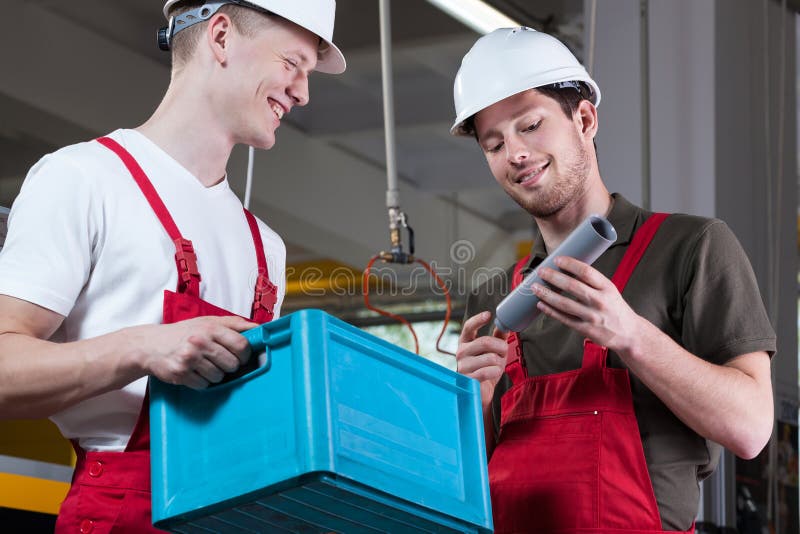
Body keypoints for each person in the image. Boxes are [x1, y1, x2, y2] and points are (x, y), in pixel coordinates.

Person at [0, 1, 345, 531]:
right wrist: (144, 346)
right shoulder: (85, 179)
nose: (302, 91)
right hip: (120, 511)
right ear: (223, 36)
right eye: (293, 63)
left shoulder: (265, 249)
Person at [452, 27, 774, 533]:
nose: (514, 153)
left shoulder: (690, 247)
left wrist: (630, 333)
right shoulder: (496, 298)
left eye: (530, 125)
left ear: (584, 118)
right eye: (493, 144)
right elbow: (466, 480)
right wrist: (477, 407)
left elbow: (752, 428)